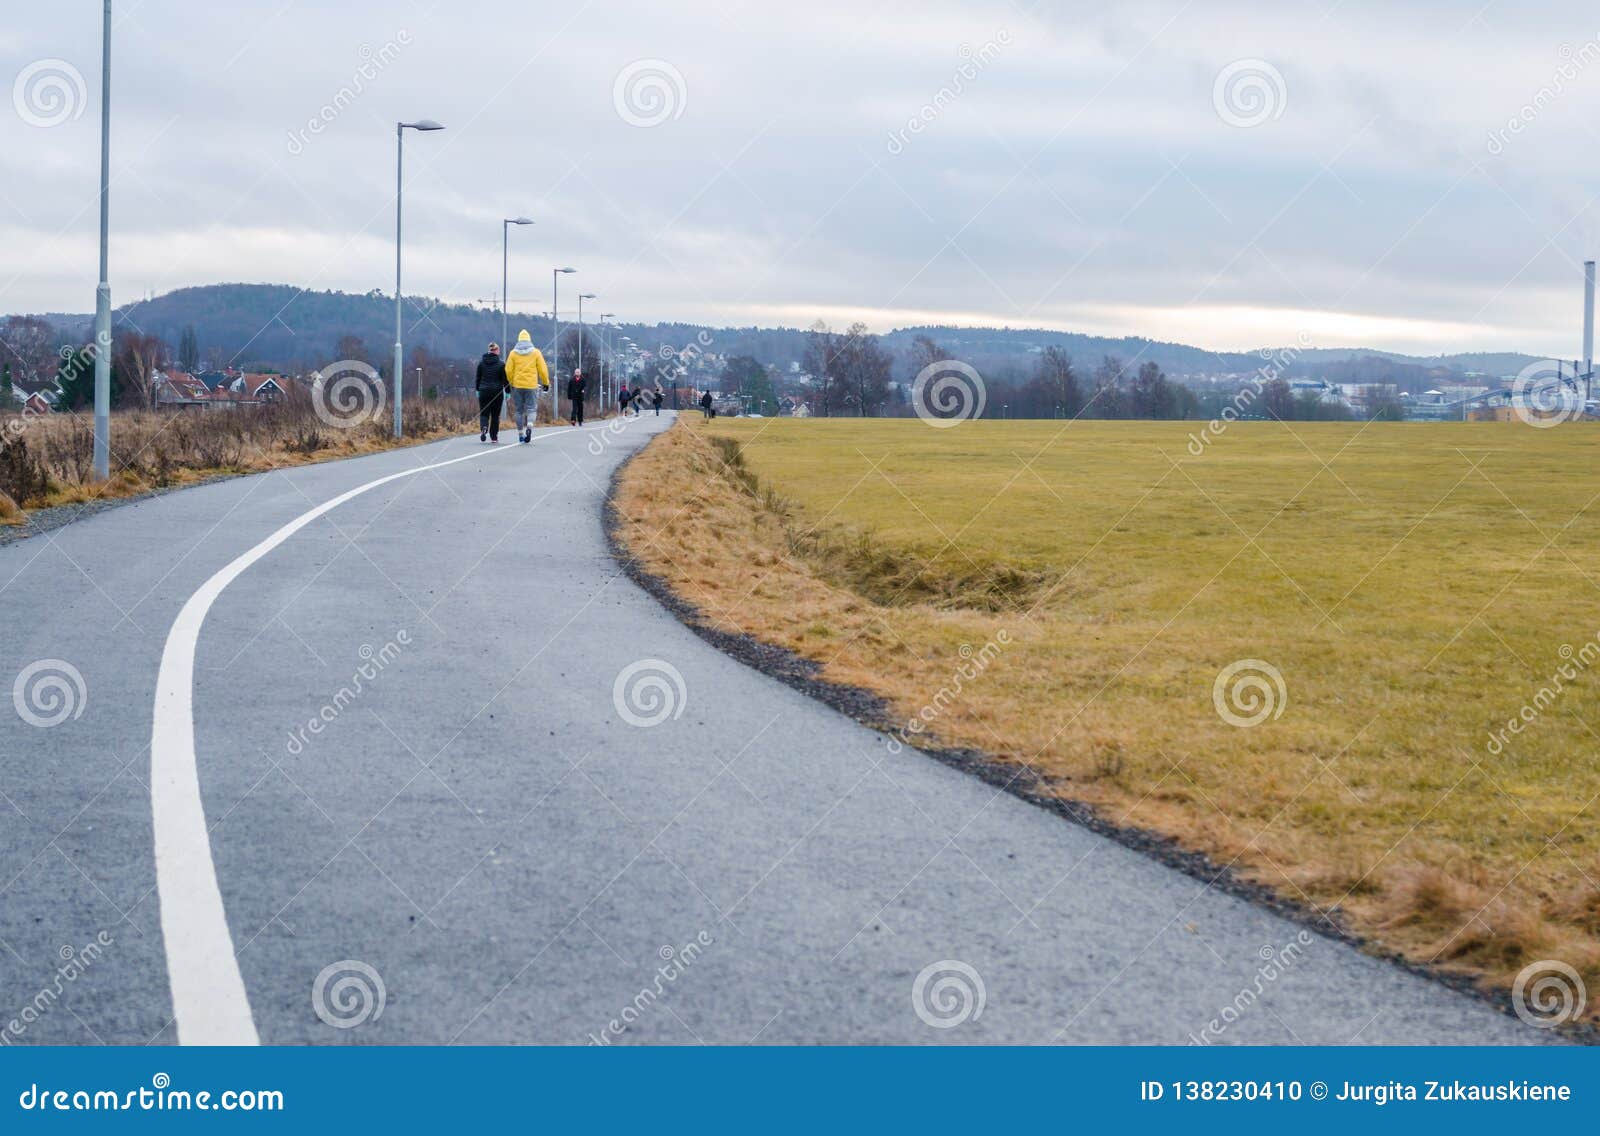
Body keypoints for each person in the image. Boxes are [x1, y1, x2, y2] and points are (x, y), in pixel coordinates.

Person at [502, 328, 550, 444]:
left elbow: (508, 370)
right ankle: (529, 425)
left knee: (518, 411)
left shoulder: (513, 353)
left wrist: (511, 382)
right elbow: (543, 370)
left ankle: (520, 434)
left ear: (519, 340)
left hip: (517, 385)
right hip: (531, 385)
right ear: (529, 340)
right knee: (531, 408)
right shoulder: (536, 352)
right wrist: (545, 383)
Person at [475, 342, 508, 443]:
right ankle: (494, 437)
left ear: (489, 351)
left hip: (483, 391)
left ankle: (484, 428)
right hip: (497, 392)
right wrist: (507, 391)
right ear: (497, 351)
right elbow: (505, 380)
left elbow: (478, 378)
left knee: (484, 413)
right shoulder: (501, 364)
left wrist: (477, 390)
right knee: (495, 415)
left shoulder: (481, 363)